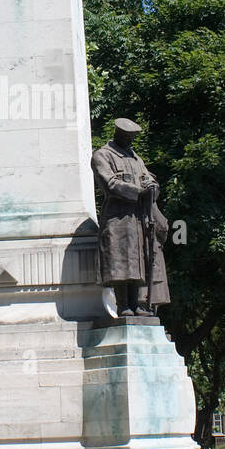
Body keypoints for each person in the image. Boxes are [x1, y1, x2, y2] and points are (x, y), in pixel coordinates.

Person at [91, 118, 166, 317]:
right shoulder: (102, 156)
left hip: (139, 218)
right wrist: (139, 191)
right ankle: (123, 304)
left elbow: (150, 180)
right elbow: (110, 184)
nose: (130, 141)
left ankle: (137, 304)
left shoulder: (136, 159)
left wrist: (152, 188)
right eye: (128, 137)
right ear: (118, 134)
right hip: (118, 219)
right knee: (121, 261)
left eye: (132, 137)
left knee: (139, 261)